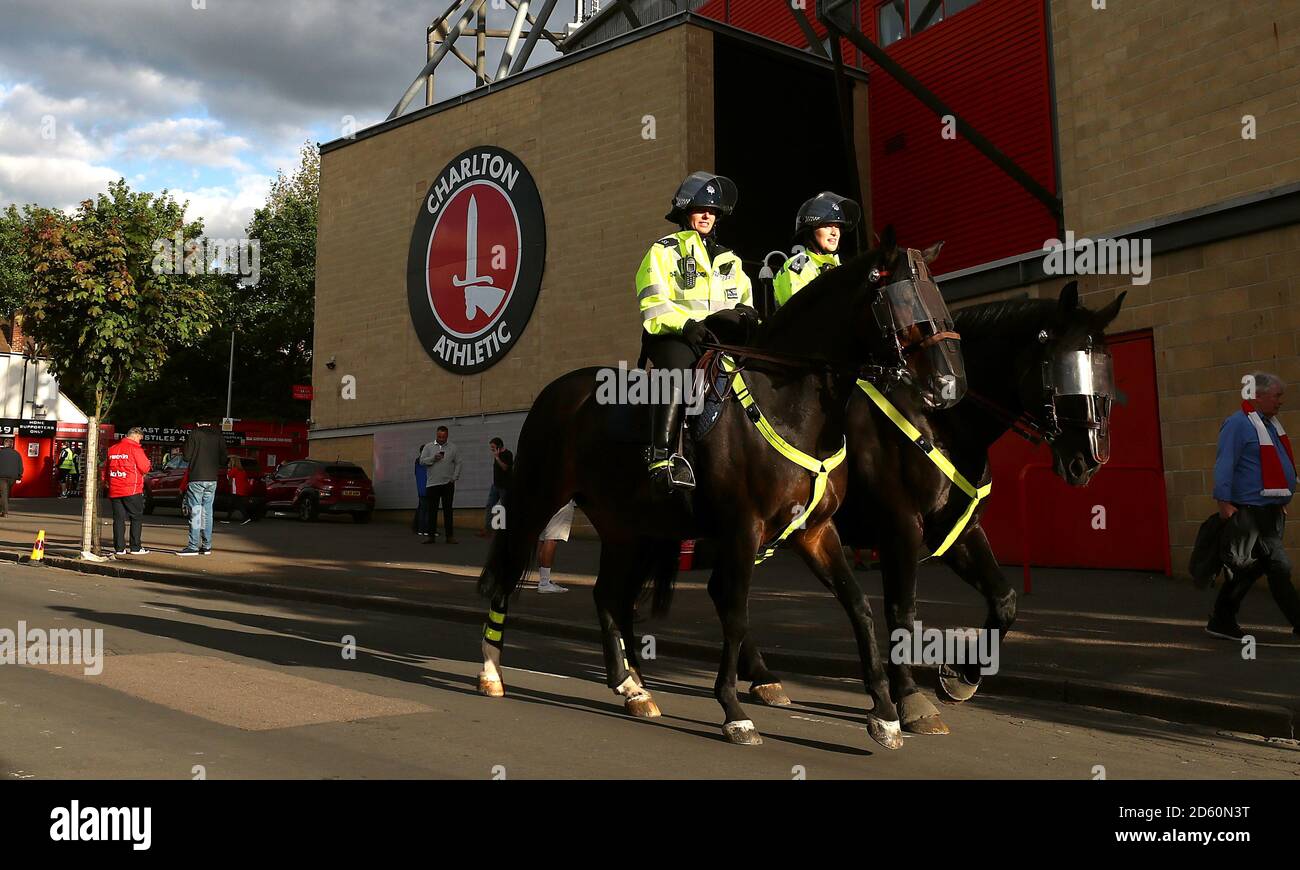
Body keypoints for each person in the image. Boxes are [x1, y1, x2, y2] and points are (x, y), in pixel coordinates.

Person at [635, 171, 756, 495]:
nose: (707, 215)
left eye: (713, 210)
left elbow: (744, 299)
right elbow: (653, 302)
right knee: (675, 374)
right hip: (673, 336)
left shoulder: (731, 258)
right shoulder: (664, 250)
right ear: (685, 212)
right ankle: (661, 456)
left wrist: (747, 314)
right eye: (701, 208)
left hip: (717, 340)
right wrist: (684, 324)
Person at [1206, 372, 1299, 640]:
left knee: (1252, 568)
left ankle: (1221, 619)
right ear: (1257, 396)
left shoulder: (1269, 425)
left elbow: (1272, 468)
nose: (1280, 402)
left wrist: (1280, 499)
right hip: (1251, 512)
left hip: (1271, 511)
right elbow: (1225, 465)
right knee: (1280, 568)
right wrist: (1224, 502)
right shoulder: (1238, 424)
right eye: (1276, 396)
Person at [771, 191, 861, 308]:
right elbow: (798, 315)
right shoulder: (798, 265)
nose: (834, 232)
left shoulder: (841, 265)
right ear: (810, 231)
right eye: (828, 225)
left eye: (838, 226)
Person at [178, 420, 228, 556]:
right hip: (212, 478)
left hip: (197, 476)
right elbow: (224, 459)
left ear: (198, 423)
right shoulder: (218, 435)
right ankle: (206, 546)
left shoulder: (194, 434)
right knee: (207, 512)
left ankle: (193, 546)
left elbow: (187, 457)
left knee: (196, 511)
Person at [106, 427, 152, 555]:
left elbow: (106, 469)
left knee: (119, 519)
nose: (140, 442)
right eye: (139, 439)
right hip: (131, 488)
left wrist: (108, 483)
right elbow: (145, 467)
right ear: (135, 435)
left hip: (115, 488)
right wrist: (148, 463)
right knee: (136, 517)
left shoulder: (112, 449)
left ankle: (119, 548)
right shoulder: (135, 449)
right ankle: (135, 547)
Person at [420, 425, 462, 543]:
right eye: (439, 436)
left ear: (447, 436)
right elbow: (421, 461)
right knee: (432, 510)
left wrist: (454, 477)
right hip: (432, 484)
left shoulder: (453, 447)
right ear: (436, 435)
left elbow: (459, 462)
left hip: (447, 483)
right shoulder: (428, 447)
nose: (441, 438)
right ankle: (431, 536)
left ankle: (449, 536)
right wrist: (433, 458)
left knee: (448, 510)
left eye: (444, 437)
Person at [535, 500, 576, 594]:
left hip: (543, 500)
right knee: (552, 538)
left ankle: (544, 580)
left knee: (543, 539)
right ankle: (544, 583)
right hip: (560, 501)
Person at [479, 437, 513, 537]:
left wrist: (497, 457)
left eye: (493, 447)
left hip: (505, 486)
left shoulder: (507, 454)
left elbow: (505, 467)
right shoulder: (496, 455)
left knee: (504, 508)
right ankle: (487, 529)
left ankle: (505, 531)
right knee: (490, 505)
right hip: (495, 485)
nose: (492, 449)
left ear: (499, 446)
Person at [0, 439, 23, 517]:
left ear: (4, 444)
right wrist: (19, 477)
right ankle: (2, 510)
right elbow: (20, 467)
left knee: (3, 494)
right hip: (12, 477)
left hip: (2, 477)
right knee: (6, 493)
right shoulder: (17, 454)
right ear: (12, 445)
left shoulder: (0, 453)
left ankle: (5, 512)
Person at [412, 447, 429, 536]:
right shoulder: (425, 462)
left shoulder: (417, 461)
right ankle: (426, 529)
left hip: (421, 489)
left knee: (422, 509)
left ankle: (419, 529)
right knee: (427, 510)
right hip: (427, 489)